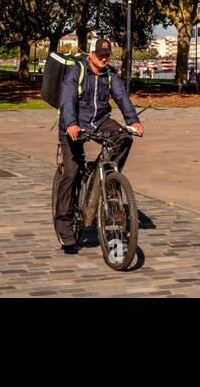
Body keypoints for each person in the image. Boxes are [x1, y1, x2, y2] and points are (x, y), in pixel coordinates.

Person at [55, 38, 143, 250]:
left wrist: (133, 121)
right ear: (91, 54)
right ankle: (64, 223)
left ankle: (107, 176)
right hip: (75, 123)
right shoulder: (77, 70)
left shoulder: (110, 74)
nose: (104, 58)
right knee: (72, 171)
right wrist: (71, 124)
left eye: (107, 55)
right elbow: (67, 98)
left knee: (124, 138)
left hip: (101, 121)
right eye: (100, 55)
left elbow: (122, 97)